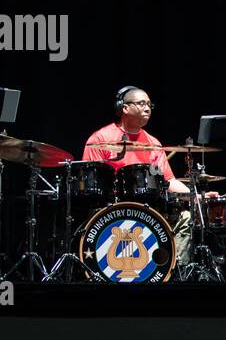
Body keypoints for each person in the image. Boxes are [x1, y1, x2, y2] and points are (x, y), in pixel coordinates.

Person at [83, 86, 207, 270]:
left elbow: (169, 181)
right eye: (141, 103)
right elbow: (90, 181)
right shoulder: (100, 138)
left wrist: (195, 196)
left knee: (186, 217)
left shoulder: (153, 143)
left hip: (150, 208)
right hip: (111, 207)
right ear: (124, 108)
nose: (147, 108)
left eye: (149, 104)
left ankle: (173, 270)